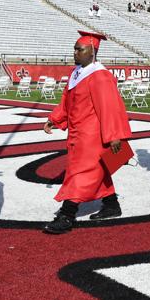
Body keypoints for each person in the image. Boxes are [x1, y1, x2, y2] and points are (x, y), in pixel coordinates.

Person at [42, 31, 133, 234]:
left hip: (93, 136)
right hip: (76, 134)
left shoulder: (100, 76)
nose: (75, 52)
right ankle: (111, 205)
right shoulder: (76, 74)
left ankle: (67, 214)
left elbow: (110, 107)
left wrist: (115, 136)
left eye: (79, 49)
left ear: (93, 51)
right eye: (74, 48)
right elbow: (66, 102)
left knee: (80, 174)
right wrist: (53, 119)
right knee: (98, 171)